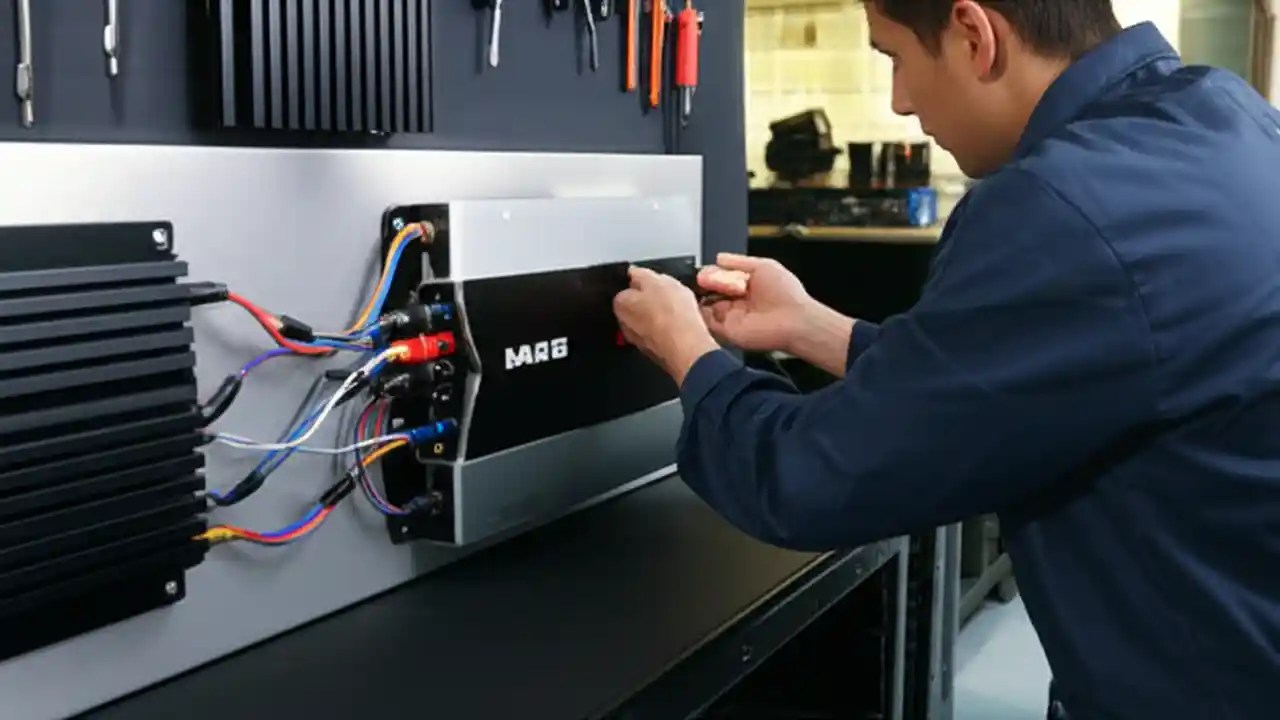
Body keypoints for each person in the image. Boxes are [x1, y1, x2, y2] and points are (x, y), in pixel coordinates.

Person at [613, 1, 1280, 718]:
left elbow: (811, 478)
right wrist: (816, 327)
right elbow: (1053, 364)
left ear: (973, 34)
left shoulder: (1056, 205)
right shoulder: (1227, 115)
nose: (900, 101)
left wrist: (689, 355)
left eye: (896, 58)